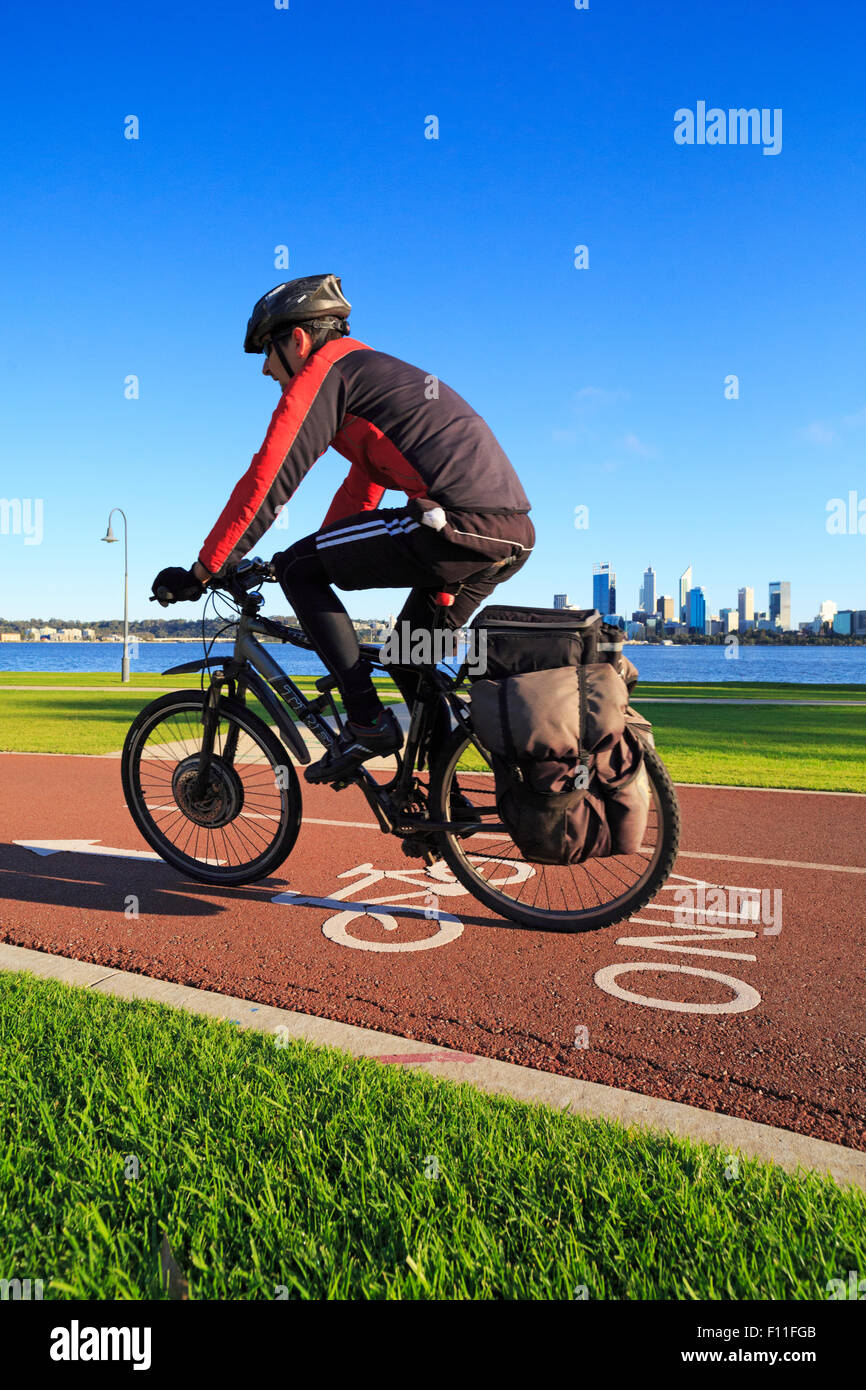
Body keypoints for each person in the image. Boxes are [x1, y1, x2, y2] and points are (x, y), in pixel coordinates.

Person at [152, 274, 534, 784]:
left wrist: (206, 570)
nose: (266, 369)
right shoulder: (377, 380)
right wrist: (309, 558)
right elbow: (360, 497)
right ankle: (446, 806)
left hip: (455, 526)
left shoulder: (329, 372)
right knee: (408, 658)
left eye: (267, 351)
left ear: (297, 340)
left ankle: (366, 719)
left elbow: (270, 476)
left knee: (299, 567)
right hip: (507, 537)